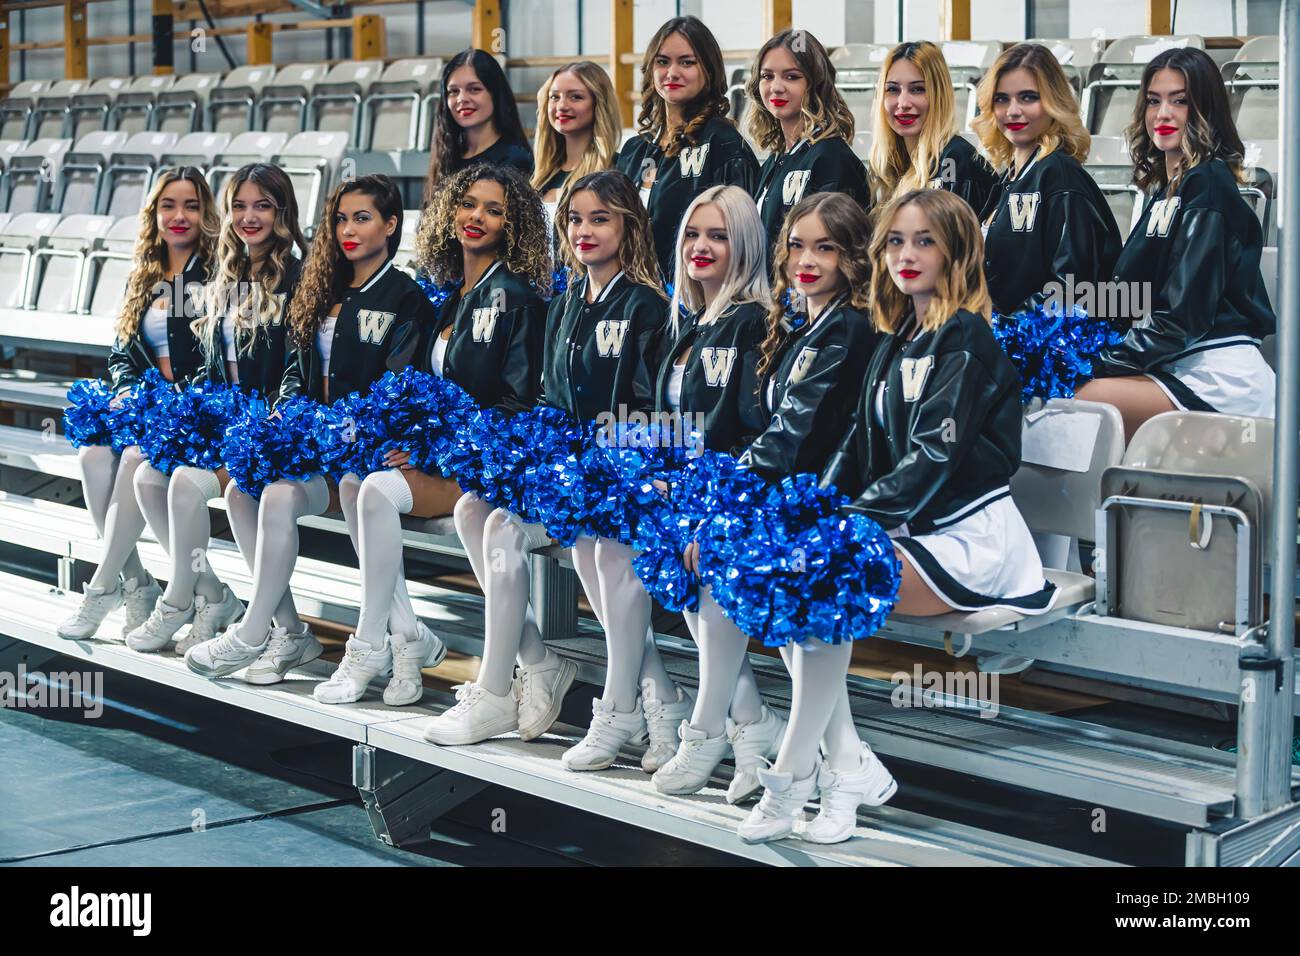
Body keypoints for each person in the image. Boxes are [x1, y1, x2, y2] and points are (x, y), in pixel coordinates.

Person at [742, 188, 1054, 845]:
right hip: (908, 527)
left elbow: (934, 453)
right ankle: (847, 766)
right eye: (895, 242)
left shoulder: (965, 336)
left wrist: (850, 522)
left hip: (968, 536)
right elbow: (857, 443)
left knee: (827, 586)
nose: (906, 255)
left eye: (925, 242)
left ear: (957, 253)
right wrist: (818, 511)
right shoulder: (895, 339)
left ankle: (796, 775)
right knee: (800, 583)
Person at [427, 170, 684, 775]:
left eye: (601, 218)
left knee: (507, 531)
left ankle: (500, 690)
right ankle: (651, 695)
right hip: (571, 475)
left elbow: (645, 413)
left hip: (621, 478)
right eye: (574, 219)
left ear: (630, 225)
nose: (585, 230)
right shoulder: (567, 300)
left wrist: (587, 461)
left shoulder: (646, 305)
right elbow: (547, 402)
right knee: (471, 507)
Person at [185, 175, 438, 690]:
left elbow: (402, 384)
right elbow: (296, 373)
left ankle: (258, 631)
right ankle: (290, 631)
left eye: (362, 218)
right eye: (341, 218)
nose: (348, 229)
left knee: (282, 497)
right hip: (319, 450)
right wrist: (285, 416)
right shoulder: (319, 286)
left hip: (363, 454)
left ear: (391, 225)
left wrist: (353, 433)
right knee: (244, 490)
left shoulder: (405, 296)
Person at [315, 163, 551, 707]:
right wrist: (418, 438)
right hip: (447, 455)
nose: (476, 217)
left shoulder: (515, 297)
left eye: (494, 209)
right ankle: (405, 643)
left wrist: (438, 448)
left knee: (373, 489)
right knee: (359, 483)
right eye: (468, 204)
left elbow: (515, 405)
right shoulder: (452, 296)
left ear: (513, 223)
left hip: (486, 462)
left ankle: (371, 643)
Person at [126, 163, 308, 658]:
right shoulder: (223, 274)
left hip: (270, 431)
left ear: (283, 211)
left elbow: (296, 371)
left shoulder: (299, 276)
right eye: (240, 206)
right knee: (147, 477)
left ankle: (180, 598)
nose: (250, 217)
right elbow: (209, 372)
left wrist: (265, 427)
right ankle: (217, 600)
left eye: (263, 206)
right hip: (225, 426)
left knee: (188, 484)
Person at [645, 184, 787, 804]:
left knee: (702, 573)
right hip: (690, 487)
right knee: (645, 556)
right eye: (694, 235)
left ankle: (706, 730)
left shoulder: (751, 320)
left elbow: (751, 429)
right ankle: (753, 725)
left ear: (745, 245)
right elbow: (672, 421)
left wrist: (708, 495)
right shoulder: (688, 322)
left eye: (719, 235)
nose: (701, 247)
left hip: (735, 491)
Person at [1077, 46, 1276, 437]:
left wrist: (1098, 360)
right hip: (1174, 364)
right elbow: (1132, 295)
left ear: (1206, 110)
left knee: (1070, 400)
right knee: (1048, 392)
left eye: (1180, 101)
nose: (1162, 114)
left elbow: (1183, 317)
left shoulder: (1209, 184)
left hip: (1217, 374)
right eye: (1154, 101)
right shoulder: (1166, 190)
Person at [57, 167, 218, 641]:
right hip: (144, 406)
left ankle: (104, 586)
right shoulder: (144, 274)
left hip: (191, 412)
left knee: (131, 457)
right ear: (155, 213)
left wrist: (172, 399)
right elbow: (121, 353)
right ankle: (136, 581)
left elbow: (220, 358)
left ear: (205, 213)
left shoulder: (217, 275)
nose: (179, 215)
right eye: (169, 205)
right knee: (90, 455)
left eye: (191, 205)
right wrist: (127, 387)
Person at [971, 42, 1120, 317]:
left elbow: (1070, 292)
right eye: (1002, 99)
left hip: (1040, 352)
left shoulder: (1060, 177)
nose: (1013, 110)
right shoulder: (1010, 177)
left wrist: (1002, 328)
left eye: (1028, 97)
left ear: (1054, 102)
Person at [616, 15, 758, 279]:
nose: (672, 72)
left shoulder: (724, 145)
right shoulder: (634, 150)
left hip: (694, 302)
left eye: (687, 62)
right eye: (662, 62)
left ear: (709, 69)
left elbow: (739, 245)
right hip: (637, 304)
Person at [746, 29, 870, 262]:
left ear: (816, 84)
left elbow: (836, 256)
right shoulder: (775, 159)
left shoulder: (831, 159)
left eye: (792, 77)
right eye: (767, 76)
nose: (776, 87)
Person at [868, 40, 997, 213]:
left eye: (918, 89)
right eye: (892, 89)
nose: (903, 103)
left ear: (939, 95)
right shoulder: (888, 165)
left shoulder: (957, 160)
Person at [422, 49, 533, 207]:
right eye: (453, 91)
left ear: (495, 94)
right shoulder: (446, 156)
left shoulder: (516, 160)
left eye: (474, 89)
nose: (462, 99)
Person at [531, 61, 622, 236]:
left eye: (576, 97)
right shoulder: (539, 176)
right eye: (554, 97)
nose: (562, 106)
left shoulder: (617, 170)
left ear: (598, 104)